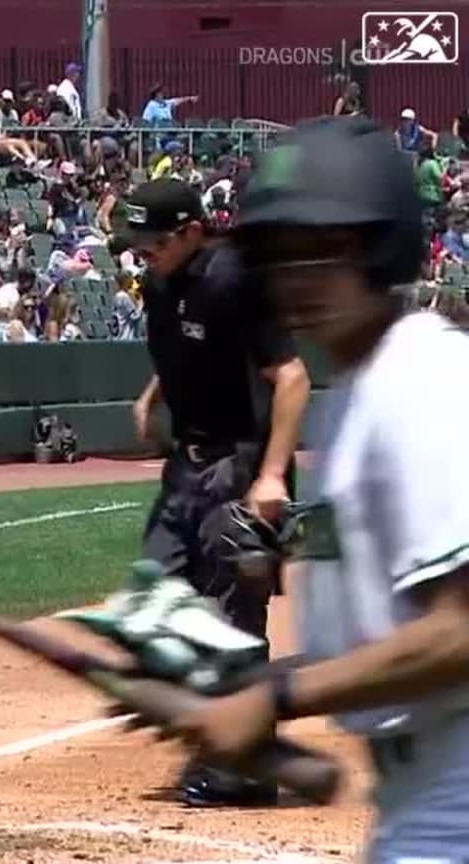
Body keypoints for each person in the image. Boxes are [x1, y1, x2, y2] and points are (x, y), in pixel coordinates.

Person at [169, 114, 469, 860]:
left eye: (321, 252)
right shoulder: (351, 399)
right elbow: (384, 635)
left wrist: (275, 697)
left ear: (381, 250)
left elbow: (461, 629)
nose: (296, 281)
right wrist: (239, 688)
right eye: (279, 258)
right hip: (418, 795)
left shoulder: (422, 380)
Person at [125, 177, 311, 806]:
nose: (141, 253)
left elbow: (291, 378)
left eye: (152, 242)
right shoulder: (161, 280)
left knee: (233, 620)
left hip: (241, 466)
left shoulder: (238, 279)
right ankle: (223, 738)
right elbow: (182, 340)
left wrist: (272, 476)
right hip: (186, 465)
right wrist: (154, 393)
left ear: (191, 232)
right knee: (154, 601)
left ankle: (247, 766)